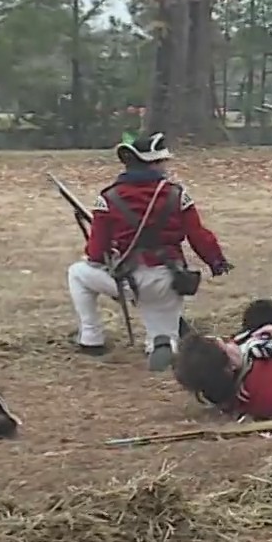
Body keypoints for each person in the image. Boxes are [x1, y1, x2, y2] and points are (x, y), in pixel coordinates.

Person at [68, 132, 231, 371]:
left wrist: (107, 251)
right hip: (169, 279)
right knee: (164, 336)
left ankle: (91, 338)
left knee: (77, 273)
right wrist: (216, 261)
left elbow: (95, 253)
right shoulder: (178, 194)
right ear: (153, 163)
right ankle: (162, 343)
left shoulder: (108, 197)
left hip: (127, 281)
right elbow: (198, 235)